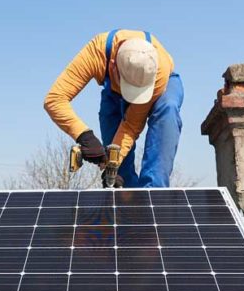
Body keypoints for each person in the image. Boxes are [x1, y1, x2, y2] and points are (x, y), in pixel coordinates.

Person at [44, 29, 183, 187]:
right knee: (118, 170)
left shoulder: (158, 69)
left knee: (167, 109)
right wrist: (85, 137)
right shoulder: (96, 54)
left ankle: (153, 195)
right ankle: (127, 202)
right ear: (113, 66)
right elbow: (54, 99)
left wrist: (113, 161)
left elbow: (131, 126)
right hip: (114, 95)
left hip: (160, 86)